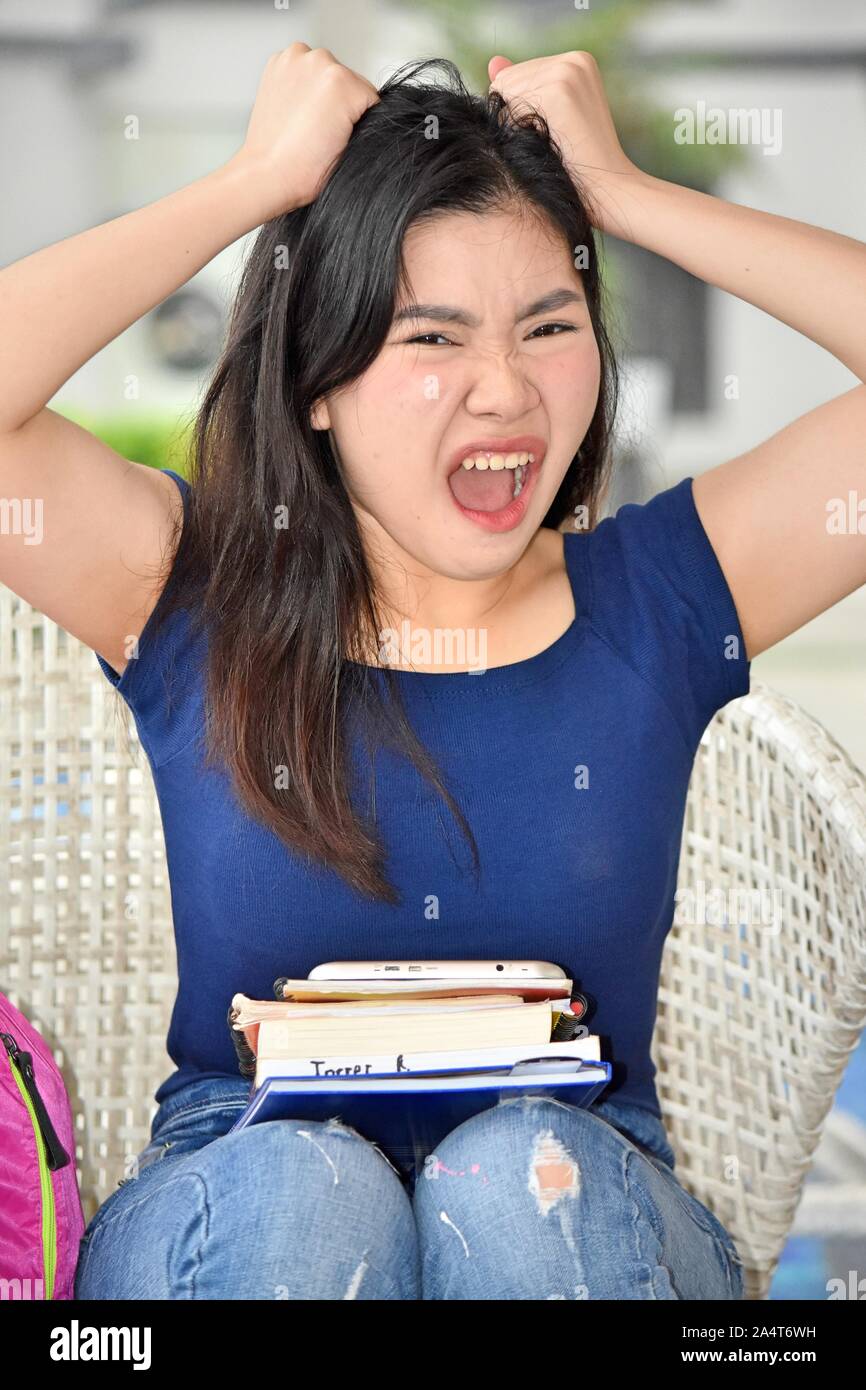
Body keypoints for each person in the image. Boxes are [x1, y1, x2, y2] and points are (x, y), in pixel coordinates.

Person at [2, 41, 864, 1301]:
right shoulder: (187, 588)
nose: (504, 390)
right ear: (316, 382)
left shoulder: (670, 593)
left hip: (585, 1201)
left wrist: (622, 197)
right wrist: (249, 184)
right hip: (237, 1189)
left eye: (548, 324)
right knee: (311, 1186)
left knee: (518, 1175)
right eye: (431, 336)